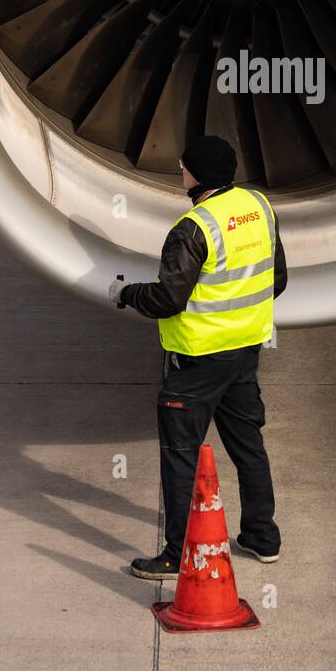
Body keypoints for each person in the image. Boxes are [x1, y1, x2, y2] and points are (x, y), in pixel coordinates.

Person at [109, 135, 285, 579]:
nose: (179, 170)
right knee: (249, 447)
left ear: (197, 175)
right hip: (245, 351)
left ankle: (176, 554)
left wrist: (125, 293)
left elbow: (168, 299)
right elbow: (276, 279)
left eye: (183, 165)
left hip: (198, 359)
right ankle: (263, 537)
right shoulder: (258, 207)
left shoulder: (193, 228)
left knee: (182, 455)